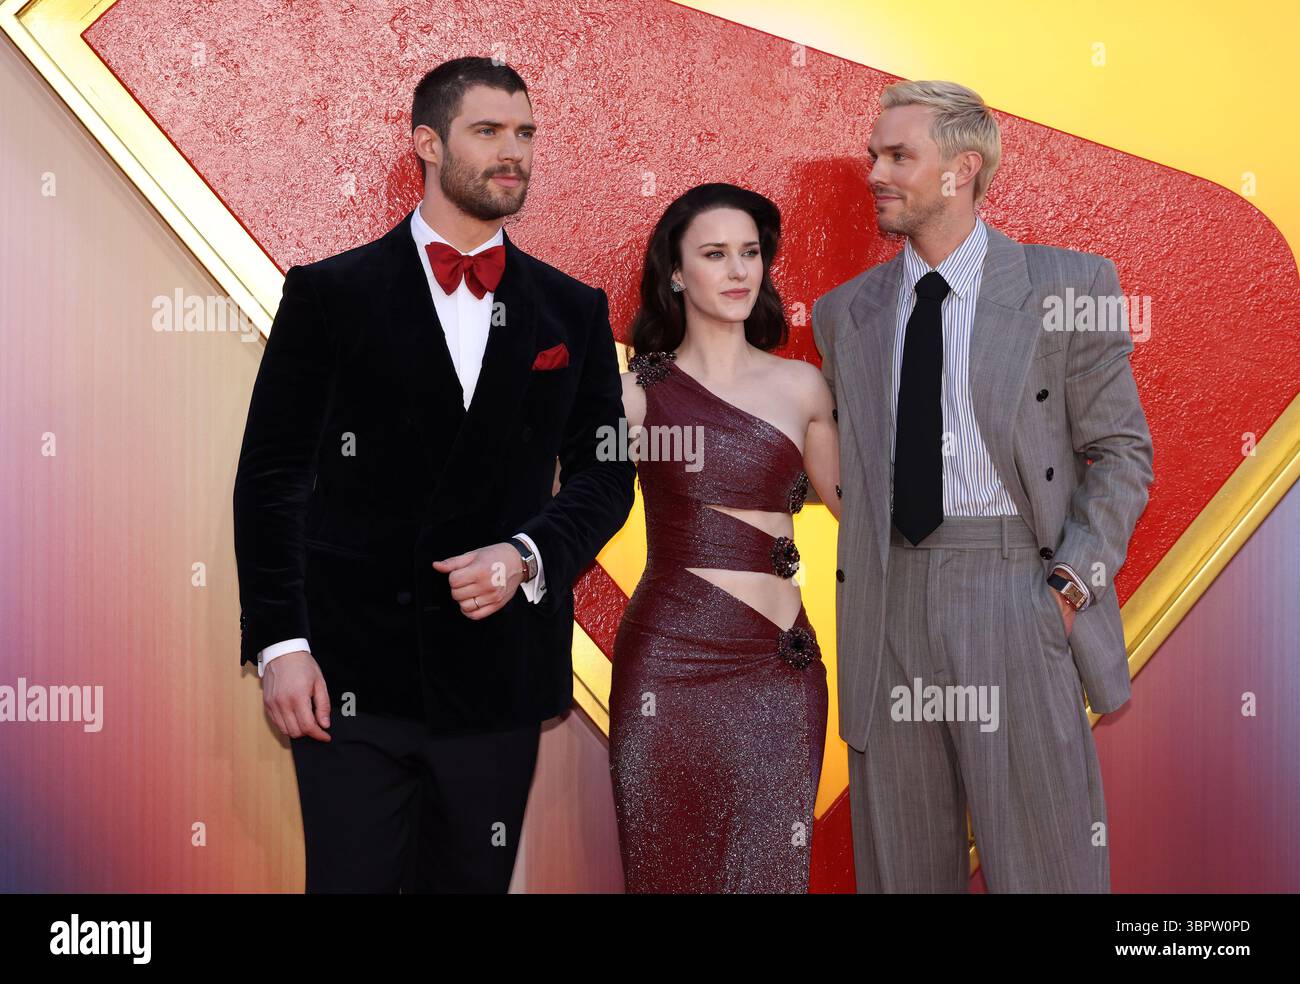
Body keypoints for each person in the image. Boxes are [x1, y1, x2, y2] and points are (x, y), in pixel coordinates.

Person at [232, 56, 635, 892]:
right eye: (488, 131)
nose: (513, 151)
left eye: (524, 132)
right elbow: (273, 479)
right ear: (427, 141)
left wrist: (525, 555)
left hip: (496, 680)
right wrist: (281, 644)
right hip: (348, 680)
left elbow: (604, 475)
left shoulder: (572, 309)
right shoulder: (328, 294)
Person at [812, 80, 1153, 892]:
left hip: (1016, 591)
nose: (875, 173)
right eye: (874, 155)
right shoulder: (843, 313)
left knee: (1047, 869)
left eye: (900, 155)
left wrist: (1068, 587)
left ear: (964, 168)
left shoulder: (1065, 284)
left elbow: (1123, 453)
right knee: (902, 868)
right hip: (889, 598)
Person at [608, 183, 841, 892]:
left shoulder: (805, 386)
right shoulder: (634, 392)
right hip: (666, 669)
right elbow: (568, 511)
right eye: (715, 254)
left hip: (777, 671)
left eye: (750, 253)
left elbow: (864, 512)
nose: (740, 271)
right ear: (675, 273)